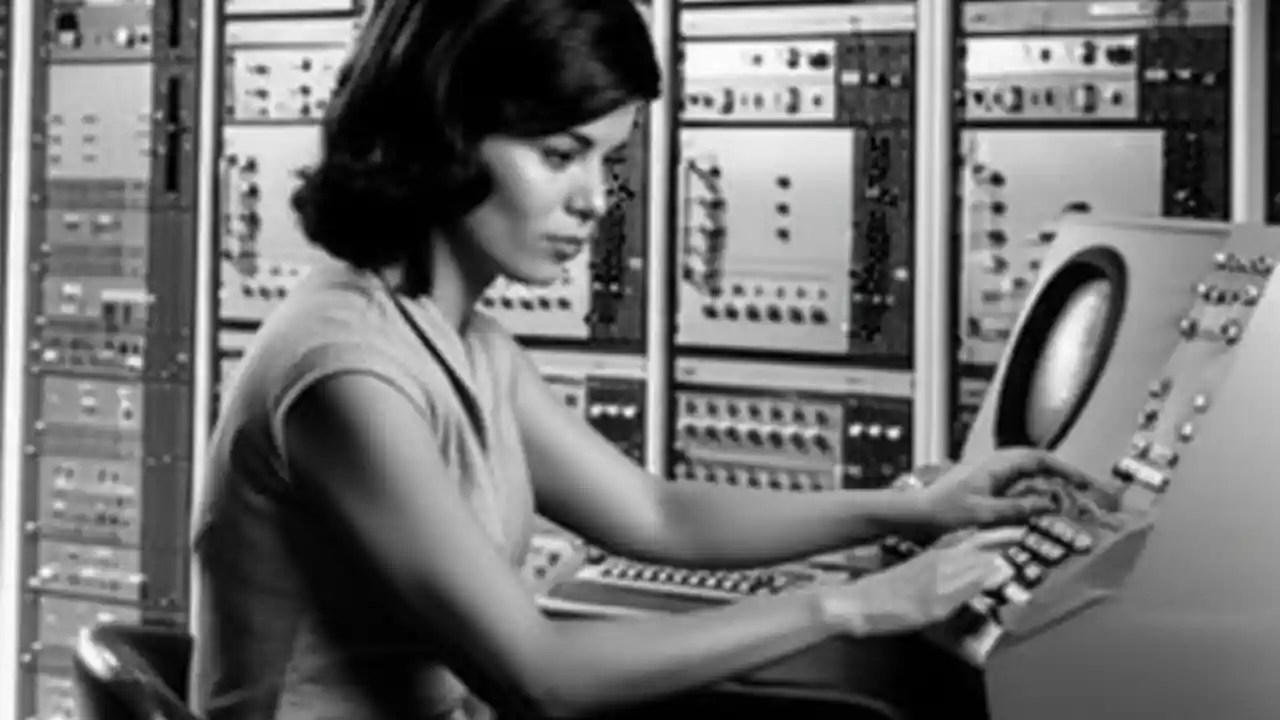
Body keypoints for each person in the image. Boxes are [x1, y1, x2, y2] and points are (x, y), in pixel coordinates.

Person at [189, 1, 1094, 718]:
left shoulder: (465, 342)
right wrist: (859, 605)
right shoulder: (345, 373)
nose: (595, 200)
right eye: (560, 155)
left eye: (607, 162)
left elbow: (654, 516)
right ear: (443, 131)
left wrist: (914, 509)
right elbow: (539, 676)